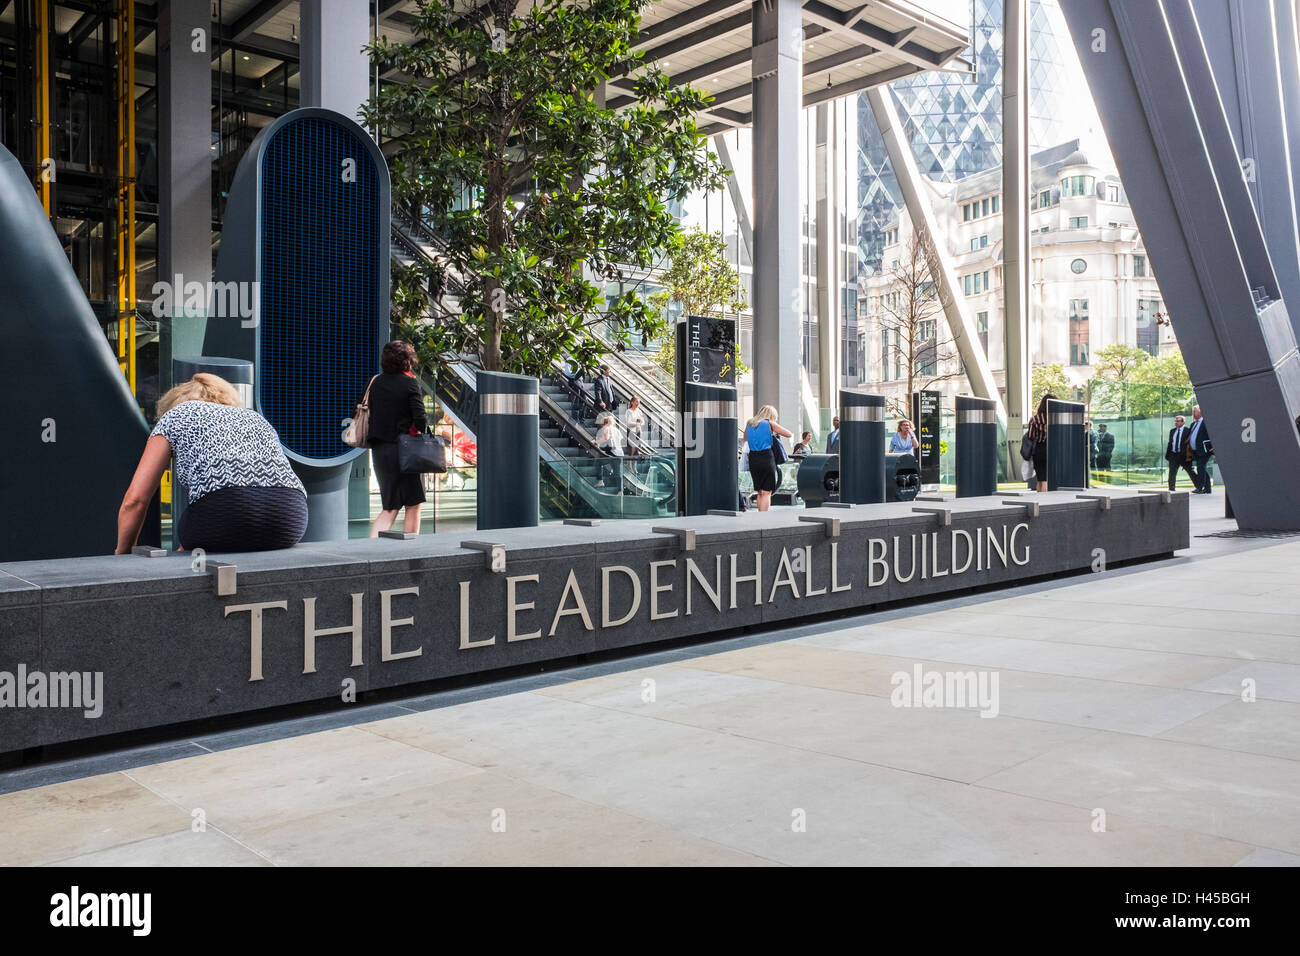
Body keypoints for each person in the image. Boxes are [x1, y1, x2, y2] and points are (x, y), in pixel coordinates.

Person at [115, 373, 307, 554]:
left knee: (206, 526)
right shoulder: (256, 418)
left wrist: (123, 555)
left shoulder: (177, 414)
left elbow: (135, 500)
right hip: (291, 516)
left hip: (225, 509)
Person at [367, 340, 428, 537]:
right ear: (408, 361)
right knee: (413, 503)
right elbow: (420, 419)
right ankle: (409, 550)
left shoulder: (375, 382)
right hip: (405, 451)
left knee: (390, 506)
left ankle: (370, 549)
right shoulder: (409, 383)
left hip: (380, 451)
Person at [746, 405, 794, 512]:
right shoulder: (769, 423)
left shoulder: (749, 423)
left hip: (753, 458)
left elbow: (745, 438)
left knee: (759, 491)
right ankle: (764, 517)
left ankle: (760, 515)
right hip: (766, 457)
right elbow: (789, 434)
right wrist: (773, 432)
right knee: (767, 491)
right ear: (771, 415)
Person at [1026, 393, 1054, 492]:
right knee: (1048, 478)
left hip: (1039, 449)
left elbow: (1030, 436)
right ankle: (1046, 499)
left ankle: (1040, 499)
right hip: (1052, 449)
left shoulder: (1035, 419)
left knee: (1040, 478)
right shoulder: (1055, 419)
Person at [1165, 414, 1196, 492]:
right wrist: (1168, 455)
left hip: (1184, 456)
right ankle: (1171, 488)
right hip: (1173, 455)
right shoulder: (1172, 431)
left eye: (1178, 421)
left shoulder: (1188, 431)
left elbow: (1190, 444)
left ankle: (1198, 486)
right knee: (1172, 472)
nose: (1176, 422)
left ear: (1183, 422)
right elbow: (1170, 443)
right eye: (1175, 421)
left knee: (1190, 471)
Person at [594, 412, 624, 491]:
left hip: (612, 453)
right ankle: (620, 491)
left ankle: (600, 480)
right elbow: (620, 440)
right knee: (617, 473)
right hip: (619, 453)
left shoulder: (607, 428)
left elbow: (606, 438)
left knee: (598, 462)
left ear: (605, 423)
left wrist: (596, 442)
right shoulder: (617, 430)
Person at [1188, 404, 1214, 493]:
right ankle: (1208, 489)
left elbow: (1213, 434)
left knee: (1201, 468)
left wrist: (1213, 446)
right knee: (1202, 468)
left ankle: (1199, 487)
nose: (1193, 413)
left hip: (1205, 450)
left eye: (1194, 411)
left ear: (1200, 412)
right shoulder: (1193, 424)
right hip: (1195, 451)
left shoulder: (1206, 422)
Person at [622, 396, 647, 474]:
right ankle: (629, 465)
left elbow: (643, 422)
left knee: (636, 450)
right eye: (636, 402)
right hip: (631, 432)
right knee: (631, 450)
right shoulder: (628, 411)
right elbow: (628, 423)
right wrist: (637, 423)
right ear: (632, 402)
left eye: (639, 402)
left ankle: (634, 467)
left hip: (638, 432)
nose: (638, 403)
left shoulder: (639, 411)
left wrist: (639, 422)